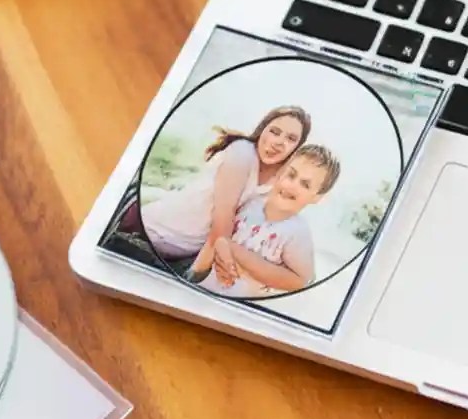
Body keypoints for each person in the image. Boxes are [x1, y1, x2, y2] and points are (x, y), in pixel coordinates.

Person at [140, 106, 311, 263]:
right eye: (274, 132)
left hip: (188, 254)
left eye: (291, 138)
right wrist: (198, 274)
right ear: (262, 130)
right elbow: (223, 218)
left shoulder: (280, 182)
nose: (279, 142)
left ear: (297, 148)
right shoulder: (242, 153)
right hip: (149, 233)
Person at [187, 144, 341, 299]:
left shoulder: (297, 233)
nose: (291, 185)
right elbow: (216, 238)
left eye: (305, 184)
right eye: (291, 175)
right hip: (205, 290)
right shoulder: (251, 203)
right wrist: (192, 277)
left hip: (240, 307)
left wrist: (235, 251)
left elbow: (300, 281)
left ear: (317, 197)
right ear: (281, 172)